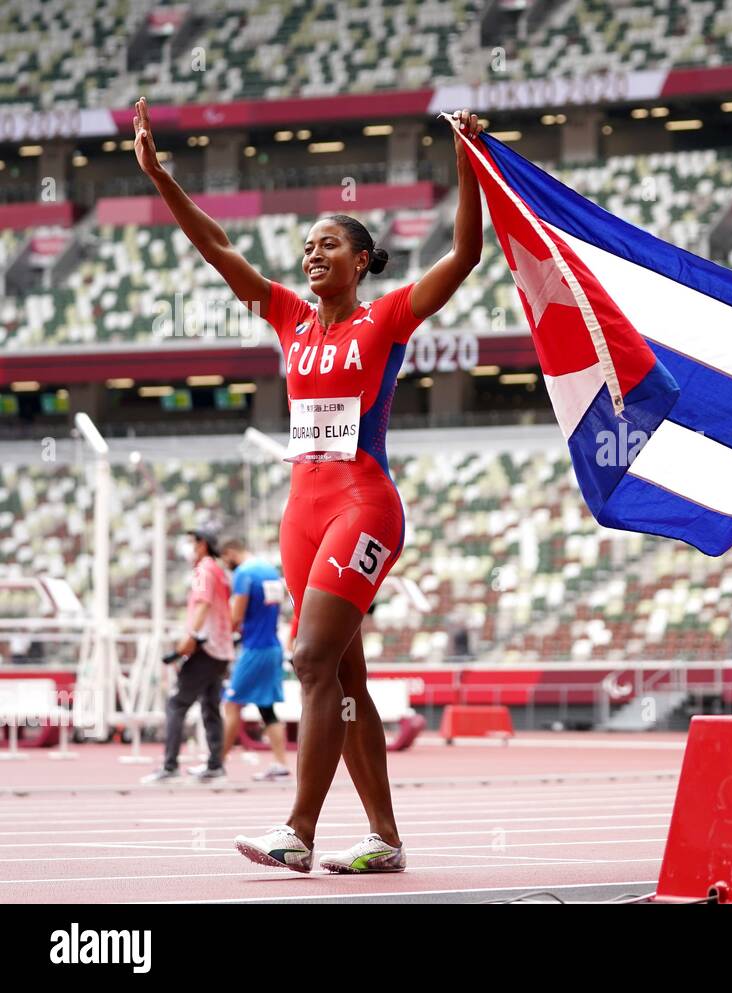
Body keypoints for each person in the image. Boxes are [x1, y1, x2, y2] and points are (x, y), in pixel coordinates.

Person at [132, 97, 485, 872]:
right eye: (306, 246)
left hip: (364, 505)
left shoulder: (387, 317)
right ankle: (385, 838)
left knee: (310, 660)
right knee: (343, 674)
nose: (311, 254)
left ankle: (297, 828)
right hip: (303, 512)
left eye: (328, 245)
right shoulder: (288, 316)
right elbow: (215, 244)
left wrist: (467, 163)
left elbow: (463, 258)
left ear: (361, 260)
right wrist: (161, 178)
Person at [141, 527, 235, 783]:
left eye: (191, 542)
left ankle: (170, 767)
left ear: (202, 544)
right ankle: (215, 765)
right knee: (210, 706)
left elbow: (203, 603)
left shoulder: (204, 569)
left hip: (206, 646)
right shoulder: (220, 571)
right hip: (221, 649)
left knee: (176, 704)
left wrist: (191, 635)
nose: (188, 547)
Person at [218, 539, 291, 779]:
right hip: (272, 645)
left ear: (230, 553)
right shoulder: (270, 570)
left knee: (231, 704)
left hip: (255, 648)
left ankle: (216, 763)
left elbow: (236, 616)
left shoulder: (243, 573)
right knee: (266, 707)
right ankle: (280, 763)